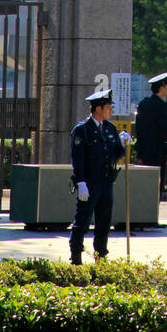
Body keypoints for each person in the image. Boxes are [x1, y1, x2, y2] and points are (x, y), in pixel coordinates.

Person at [69, 89, 131, 265]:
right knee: (82, 222)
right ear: (98, 108)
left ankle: (101, 259)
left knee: (104, 224)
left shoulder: (110, 128)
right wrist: (80, 182)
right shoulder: (82, 130)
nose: (111, 109)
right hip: (88, 183)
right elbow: (77, 159)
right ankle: (76, 259)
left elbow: (114, 155)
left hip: (106, 183)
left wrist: (123, 143)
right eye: (108, 106)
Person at [134, 72, 167, 194]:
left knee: (146, 187)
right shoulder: (162, 106)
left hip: (144, 152)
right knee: (157, 188)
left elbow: (138, 129)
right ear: (161, 87)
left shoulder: (143, 104)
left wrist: (139, 151)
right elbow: (165, 131)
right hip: (159, 153)